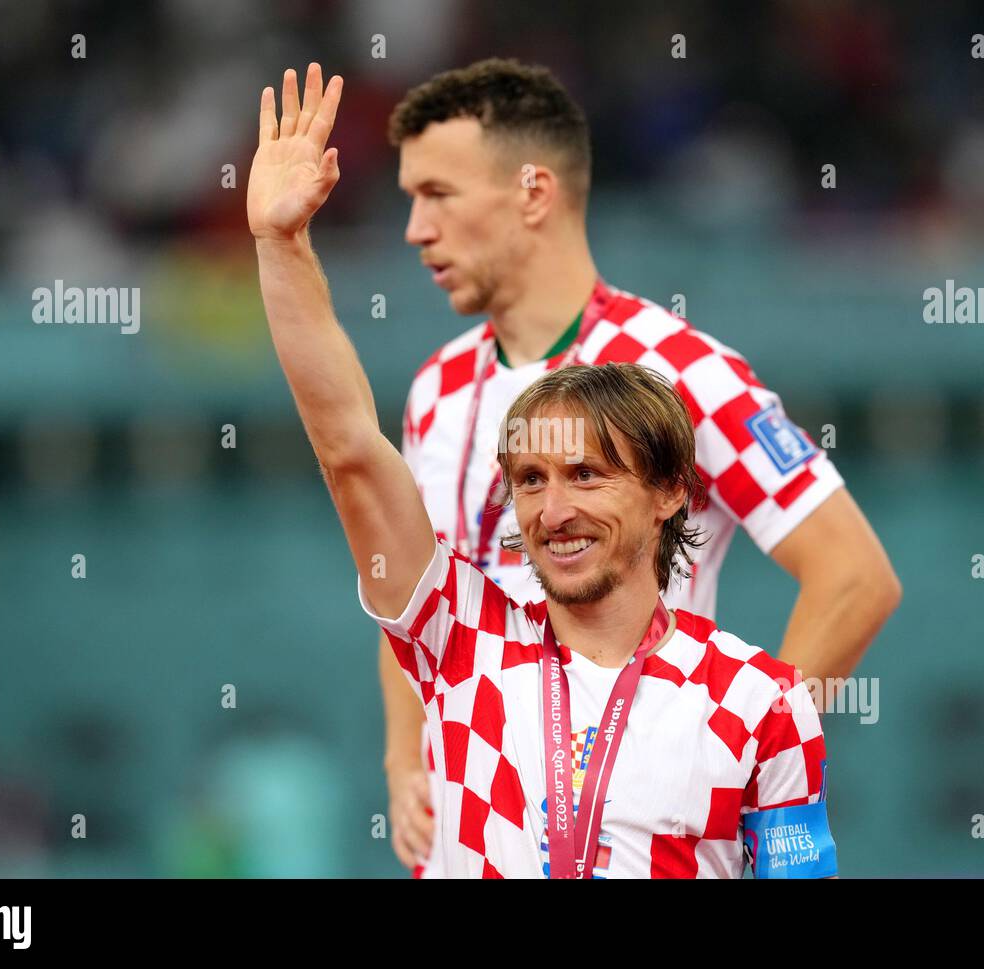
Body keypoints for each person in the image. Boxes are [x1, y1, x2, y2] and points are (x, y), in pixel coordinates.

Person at [248, 64, 841, 877]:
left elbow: (853, 575)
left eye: (440, 193)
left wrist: (724, 746)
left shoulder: (686, 371)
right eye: (527, 480)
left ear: (674, 491)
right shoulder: (439, 394)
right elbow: (375, 511)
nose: (415, 228)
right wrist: (405, 756)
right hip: (480, 801)